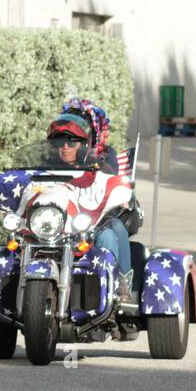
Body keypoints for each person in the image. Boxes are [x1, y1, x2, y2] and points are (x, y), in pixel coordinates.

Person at [44, 105, 135, 301]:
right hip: (54, 225)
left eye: (71, 141)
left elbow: (115, 183)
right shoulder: (43, 167)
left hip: (90, 223)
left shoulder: (98, 165)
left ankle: (119, 288)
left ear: (82, 143)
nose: (65, 147)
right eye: (60, 142)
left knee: (111, 233)